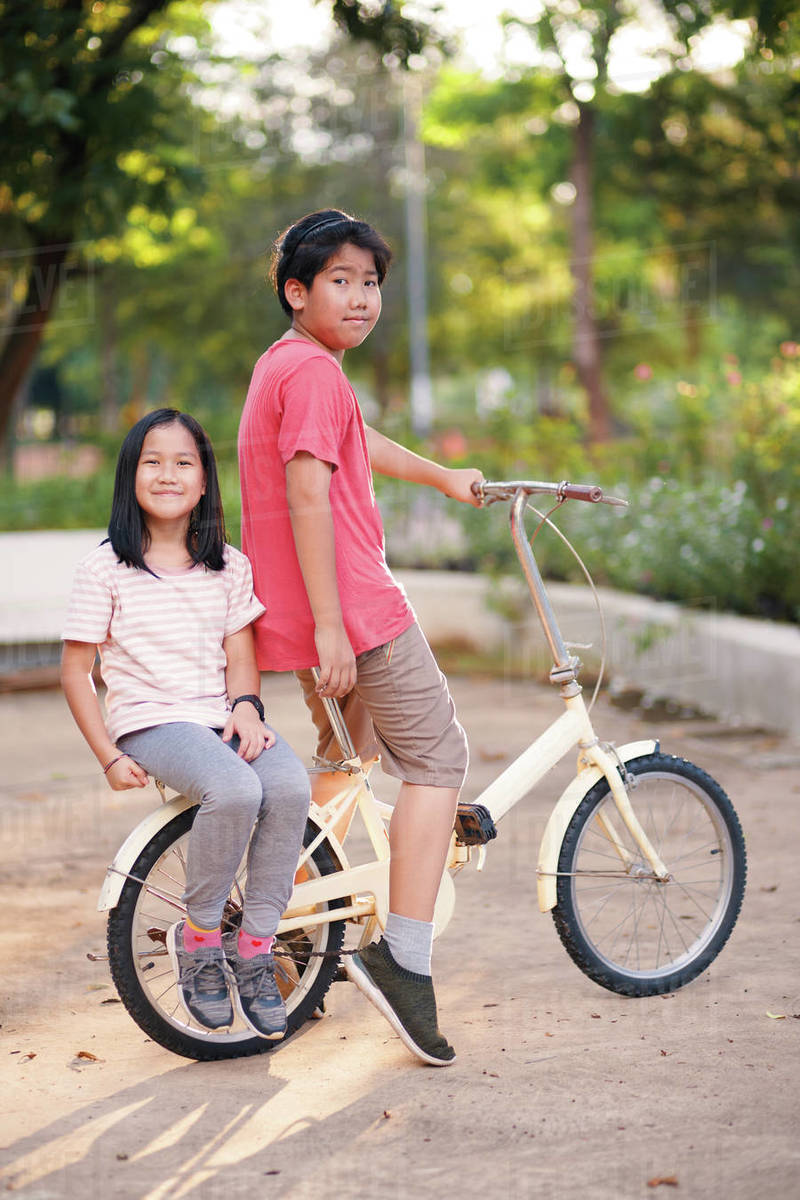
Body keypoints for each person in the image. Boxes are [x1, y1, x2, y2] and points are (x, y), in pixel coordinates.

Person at [238, 208, 483, 1066]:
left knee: (346, 763)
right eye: (338, 281)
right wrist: (338, 628)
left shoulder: (296, 368)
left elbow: (356, 441)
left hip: (304, 614)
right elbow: (310, 495)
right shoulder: (310, 373)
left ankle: (279, 917)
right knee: (439, 763)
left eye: (370, 282)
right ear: (295, 292)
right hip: (352, 614)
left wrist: (444, 476)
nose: (360, 297)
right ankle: (400, 960)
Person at [61, 408, 310, 1042]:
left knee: (287, 787)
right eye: (152, 461)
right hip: (152, 722)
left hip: (220, 716)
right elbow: (75, 671)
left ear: (204, 481)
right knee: (235, 790)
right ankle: (200, 938)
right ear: (130, 476)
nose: (167, 474)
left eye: (183, 462)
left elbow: (241, 655)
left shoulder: (226, 564)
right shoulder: (105, 569)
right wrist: (108, 756)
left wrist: (248, 707)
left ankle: (255, 946)